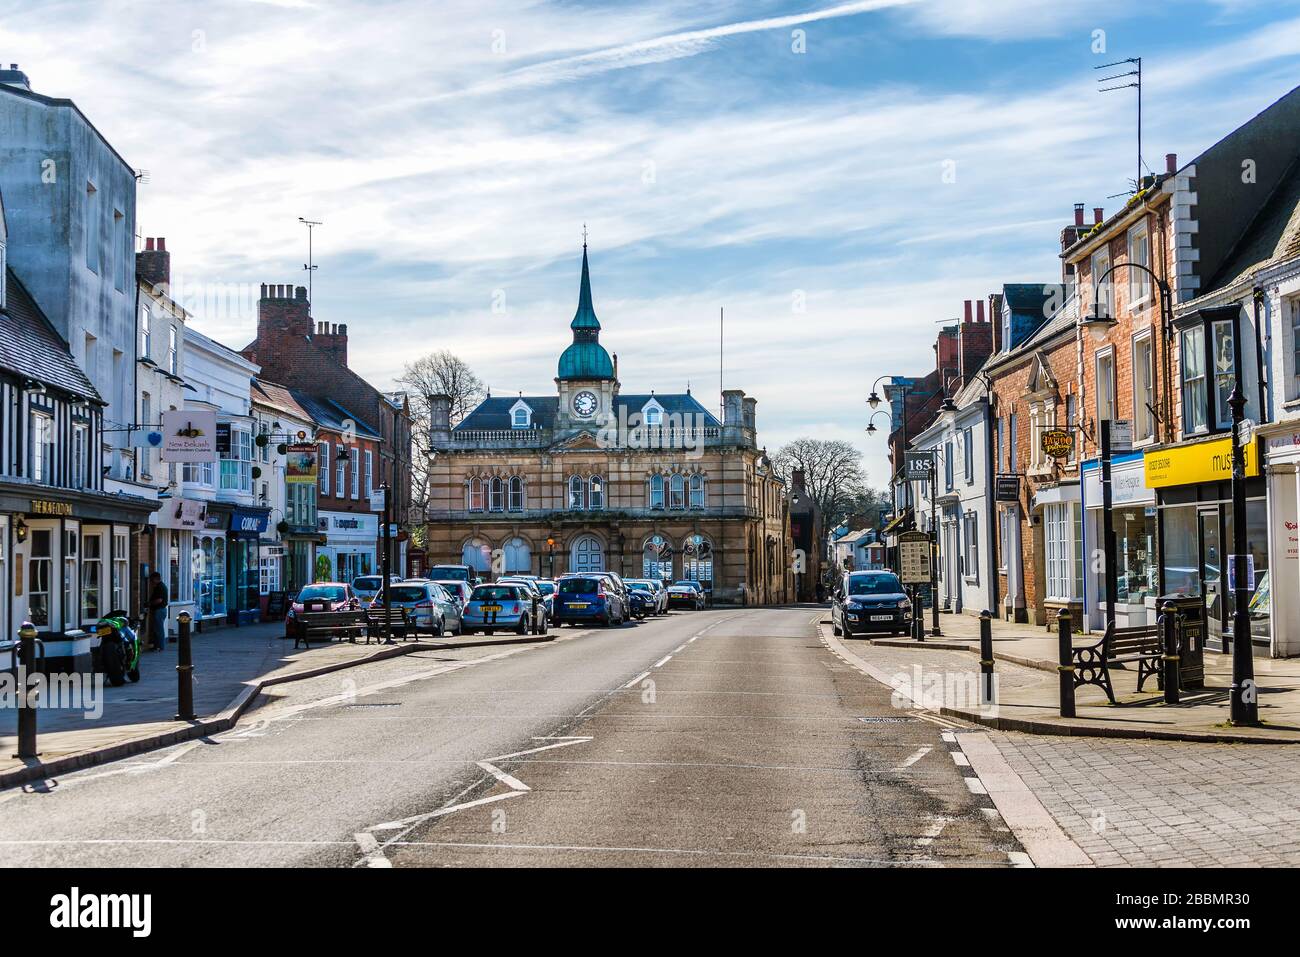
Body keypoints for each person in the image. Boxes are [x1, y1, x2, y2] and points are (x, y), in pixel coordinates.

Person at [147, 571, 169, 651]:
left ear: (156, 579)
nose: (151, 582)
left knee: (159, 629)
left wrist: (149, 604)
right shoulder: (161, 586)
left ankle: (160, 647)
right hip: (161, 610)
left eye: (152, 580)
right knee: (157, 629)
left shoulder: (160, 587)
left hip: (160, 610)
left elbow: (159, 600)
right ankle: (157, 646)